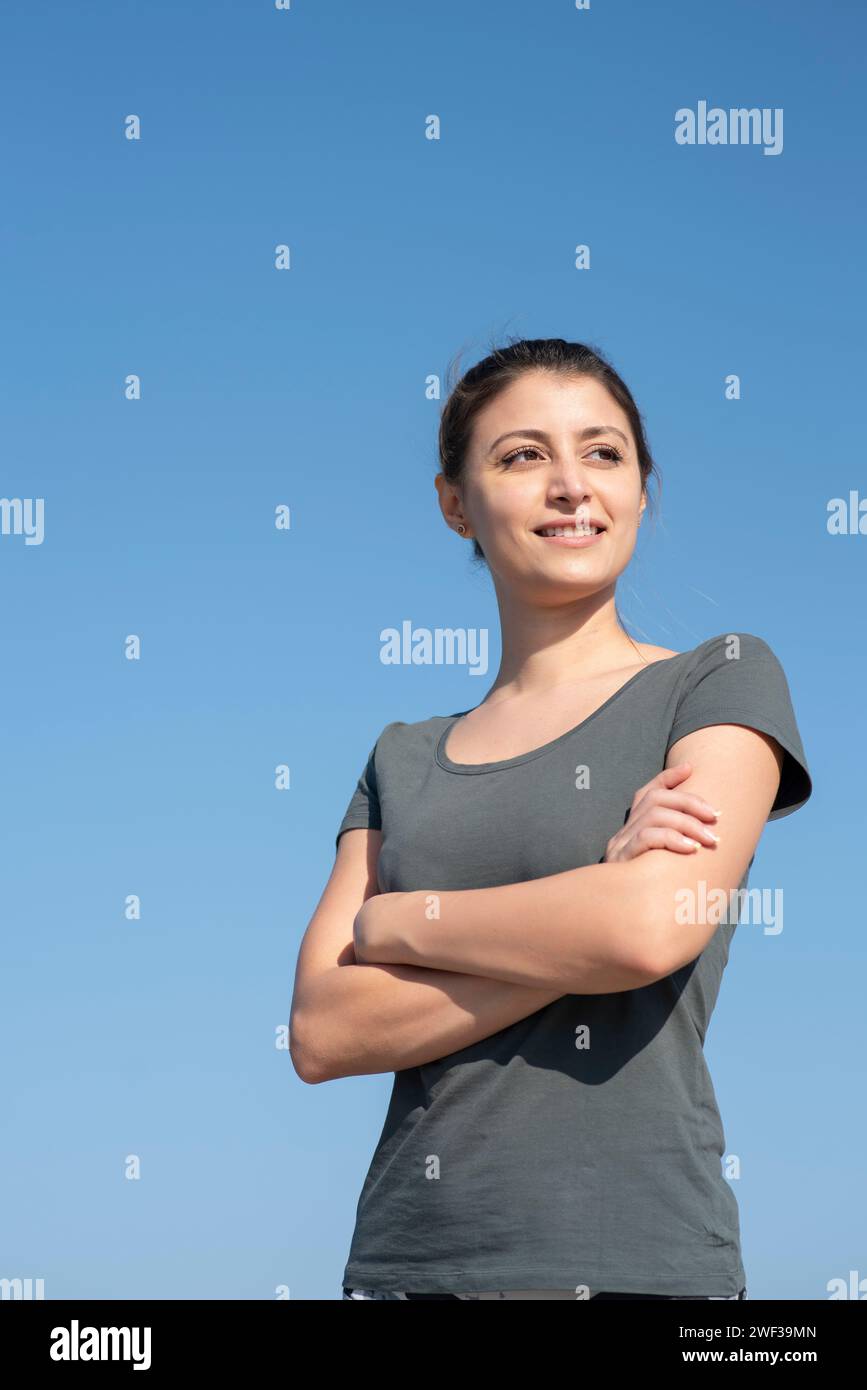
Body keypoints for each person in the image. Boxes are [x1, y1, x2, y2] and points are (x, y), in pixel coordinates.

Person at [289, 337, 812, 1300]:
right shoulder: (400, 756)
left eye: (604, 453)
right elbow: (322, 1033)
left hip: (641, 1265)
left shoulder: (718, 677)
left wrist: (401, 924)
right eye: (523, 455)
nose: (572, 486)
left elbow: (649, 927)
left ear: (641, 489)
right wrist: (589, 910)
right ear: (455, 504)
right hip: (410, 1269)